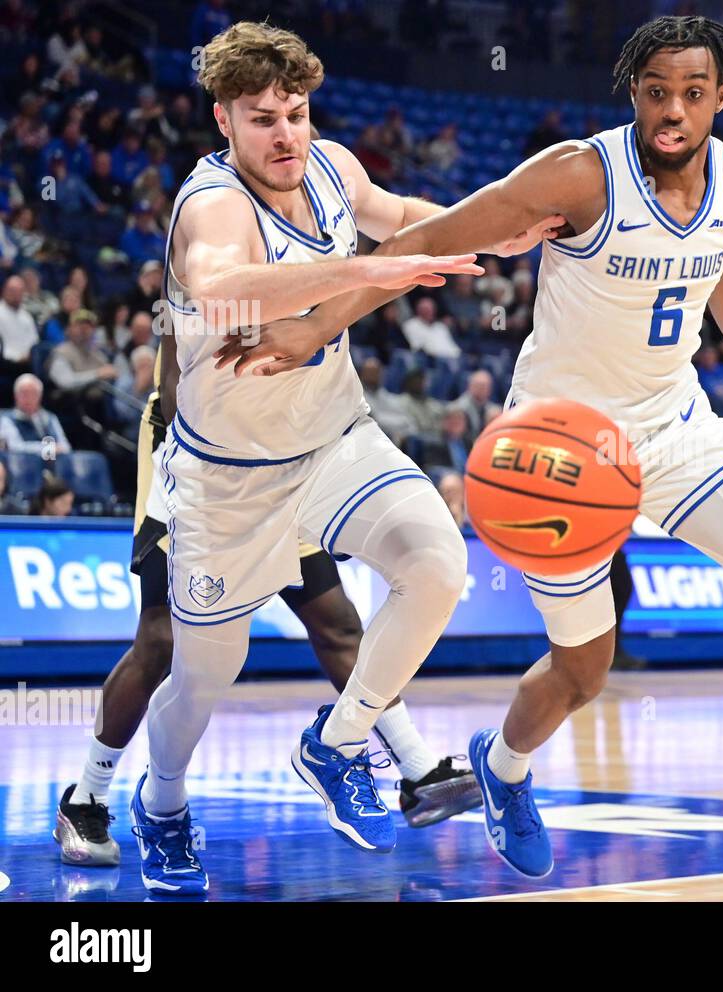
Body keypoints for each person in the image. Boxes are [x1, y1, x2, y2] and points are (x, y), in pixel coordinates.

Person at [217, 13, 723, 886]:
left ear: (722, 97)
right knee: (586, 667)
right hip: (558, 448)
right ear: (633, 92)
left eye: (694, 94)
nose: (673, 111)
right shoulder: (579, 173)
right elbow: (431, 241)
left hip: (675, 425)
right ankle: (504, 767)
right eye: (657, 91)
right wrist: (314, 328)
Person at [123, 21, 558, 896]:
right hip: (228, 480)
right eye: (261, 119)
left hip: (335, 442)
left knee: (437, 564)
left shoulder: (329, 165)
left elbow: (395, 218)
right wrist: (363, 275)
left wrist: (486, 232)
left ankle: (340, 741)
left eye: (296, 112)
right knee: (205, 674)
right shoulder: (211, 205)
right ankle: (160, 802)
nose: (285, 134)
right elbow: (219, 284)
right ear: (223, 122)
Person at [52, 346, 483, 870]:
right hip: (200, 455)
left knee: (337, 622)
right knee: (163, 639)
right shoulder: (209, 272)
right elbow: (176, 384)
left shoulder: (325, 270)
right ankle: (88, 795)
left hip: (290, 448)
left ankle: (415, 770)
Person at [0, 373, 71, 455]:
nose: (29, 398)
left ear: (40, 395)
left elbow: (65, 447)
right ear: (16, 395)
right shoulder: (6, 418)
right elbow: (15, 447)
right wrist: (48, 448)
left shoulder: (49, 418)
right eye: (24, 393)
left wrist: (55, 449)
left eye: (33, 393)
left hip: (50, 466)